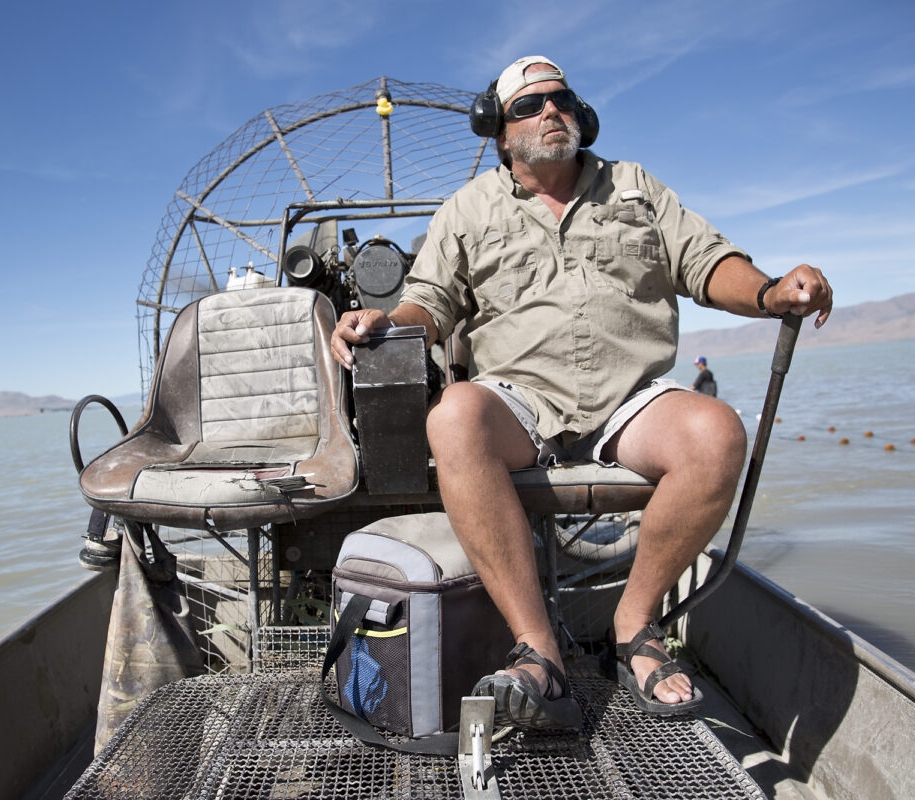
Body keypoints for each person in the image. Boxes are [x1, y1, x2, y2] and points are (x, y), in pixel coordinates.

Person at [330, 56, 832, 727]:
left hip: (630, 399)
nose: (550, 111)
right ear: (499, 131)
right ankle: (538, 651)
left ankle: (634, 627)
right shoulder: (467, 209)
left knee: (716, 434)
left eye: (561, 99)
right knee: (453, 417)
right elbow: (431, 302)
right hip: (520, 400)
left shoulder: (634, 188)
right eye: (528, 105)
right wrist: (387, 322)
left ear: (581, 115)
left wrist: (770, 292)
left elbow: (707, 263)